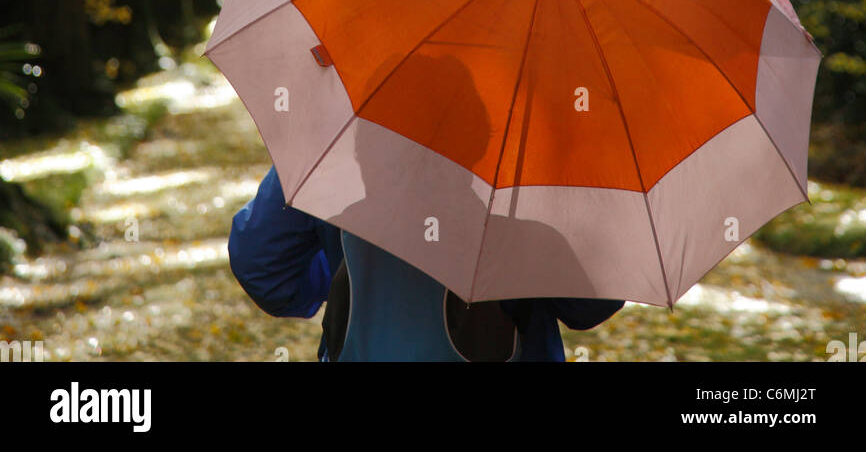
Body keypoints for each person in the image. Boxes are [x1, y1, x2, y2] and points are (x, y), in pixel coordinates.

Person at [228, 165, 626, 362]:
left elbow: (263, 267)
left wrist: (335, 269)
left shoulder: (334, 173)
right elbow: (591, 303)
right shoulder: (519, 210)